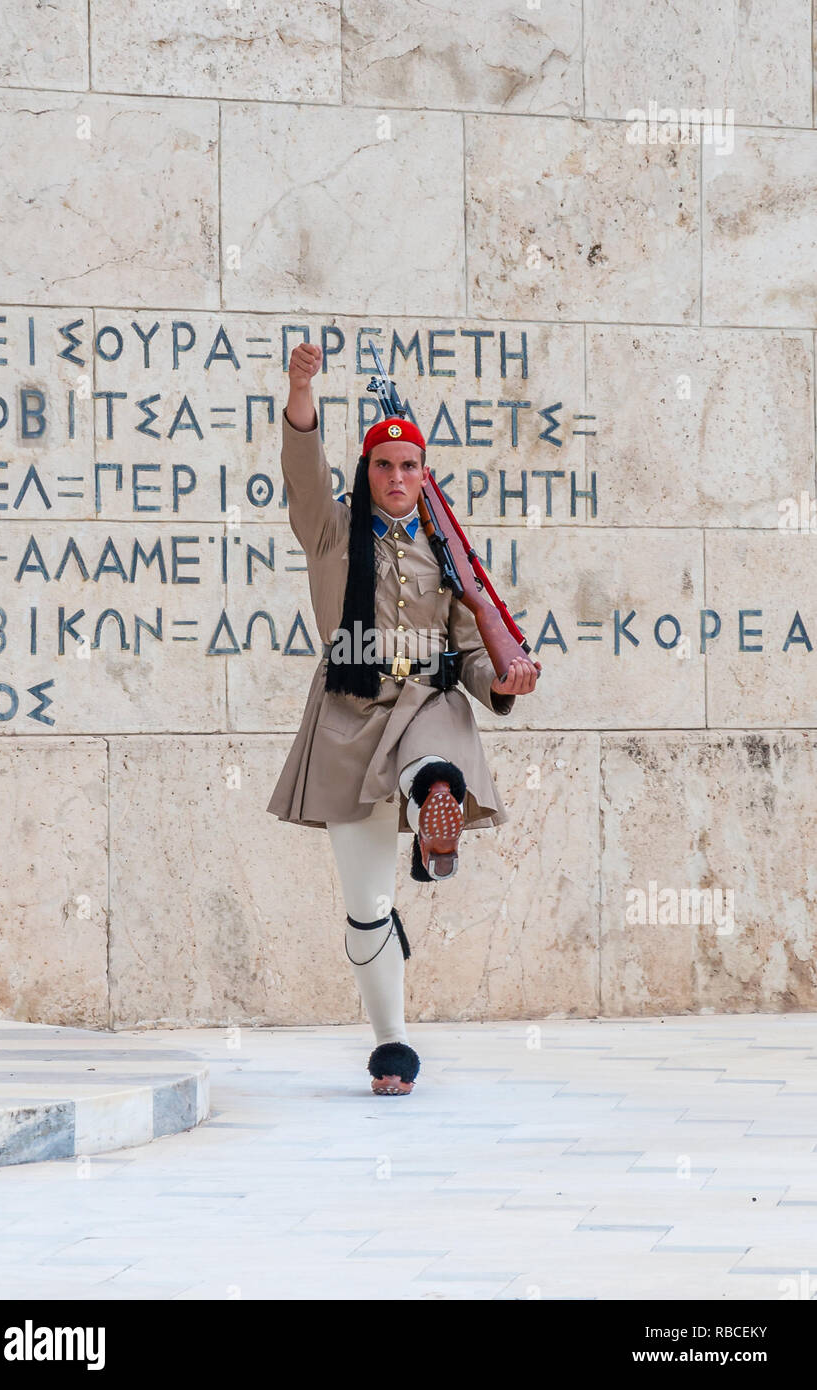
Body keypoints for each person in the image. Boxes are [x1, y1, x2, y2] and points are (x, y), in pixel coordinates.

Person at [266, 342, 540, 1094]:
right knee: (366, 909)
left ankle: (432, 807)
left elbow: (468, 651)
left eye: (409, 467)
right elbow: (300, 471)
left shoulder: (445, 559)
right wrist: (299, 389)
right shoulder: (331, 533)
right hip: (351, 715)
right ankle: (392, 1045)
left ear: (424, 478)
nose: (395, 478)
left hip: (426, 702)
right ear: (368, 474)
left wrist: (505, 676)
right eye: (383, 467)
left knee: (435, 762)